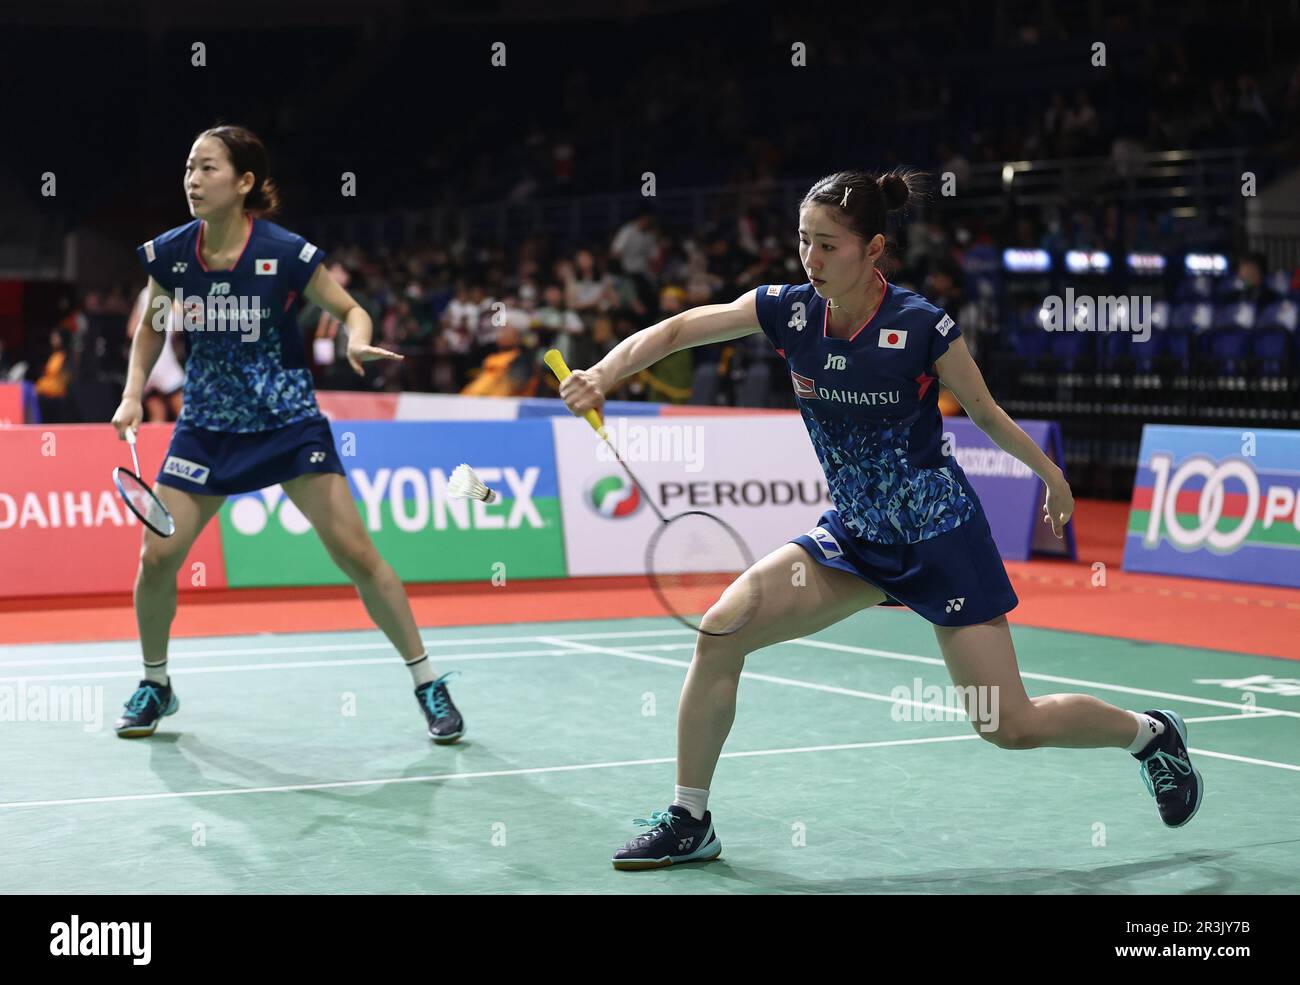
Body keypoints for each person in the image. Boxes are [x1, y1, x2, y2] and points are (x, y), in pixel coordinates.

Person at [558, 169, 1203, 870]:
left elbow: (983, 411)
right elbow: (683, 327)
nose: (811, 258)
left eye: (828, 245)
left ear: (873, 249)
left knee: (1007, 724)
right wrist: (603, 372)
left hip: (939, 541)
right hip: (855, 539)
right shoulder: (790, 312)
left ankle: (1149, 735)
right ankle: (690, 818)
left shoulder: (920, 325)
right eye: (804, 241)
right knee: (721, 631)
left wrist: (1051, 476)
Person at [110, 125, 464, 744]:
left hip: (289, 426)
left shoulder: (284, 251)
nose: (193, 180)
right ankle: (156, 684)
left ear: (244, 182)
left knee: (356, 553)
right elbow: (153, 326)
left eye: (208, 169)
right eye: (189, 168)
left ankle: (427, 681)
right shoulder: (169, 254)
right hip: (207, 429)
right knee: (157, 557)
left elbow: (351, 309)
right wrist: (133, 391)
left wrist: (355, 338)